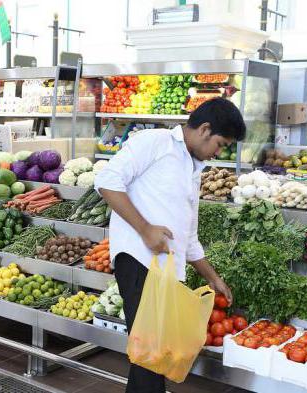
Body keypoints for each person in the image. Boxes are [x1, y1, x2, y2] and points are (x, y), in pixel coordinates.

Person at [94, 97, 246, 392]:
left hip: (166, 272)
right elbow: (108, 180)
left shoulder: (193, 168)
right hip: (139, 262)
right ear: (204, 129)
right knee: (151, 355)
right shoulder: (156, 142)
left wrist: (213, 278)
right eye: (221, 144)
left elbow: (188, 238)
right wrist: (146, 229)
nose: (218, 153)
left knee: (153, 355)